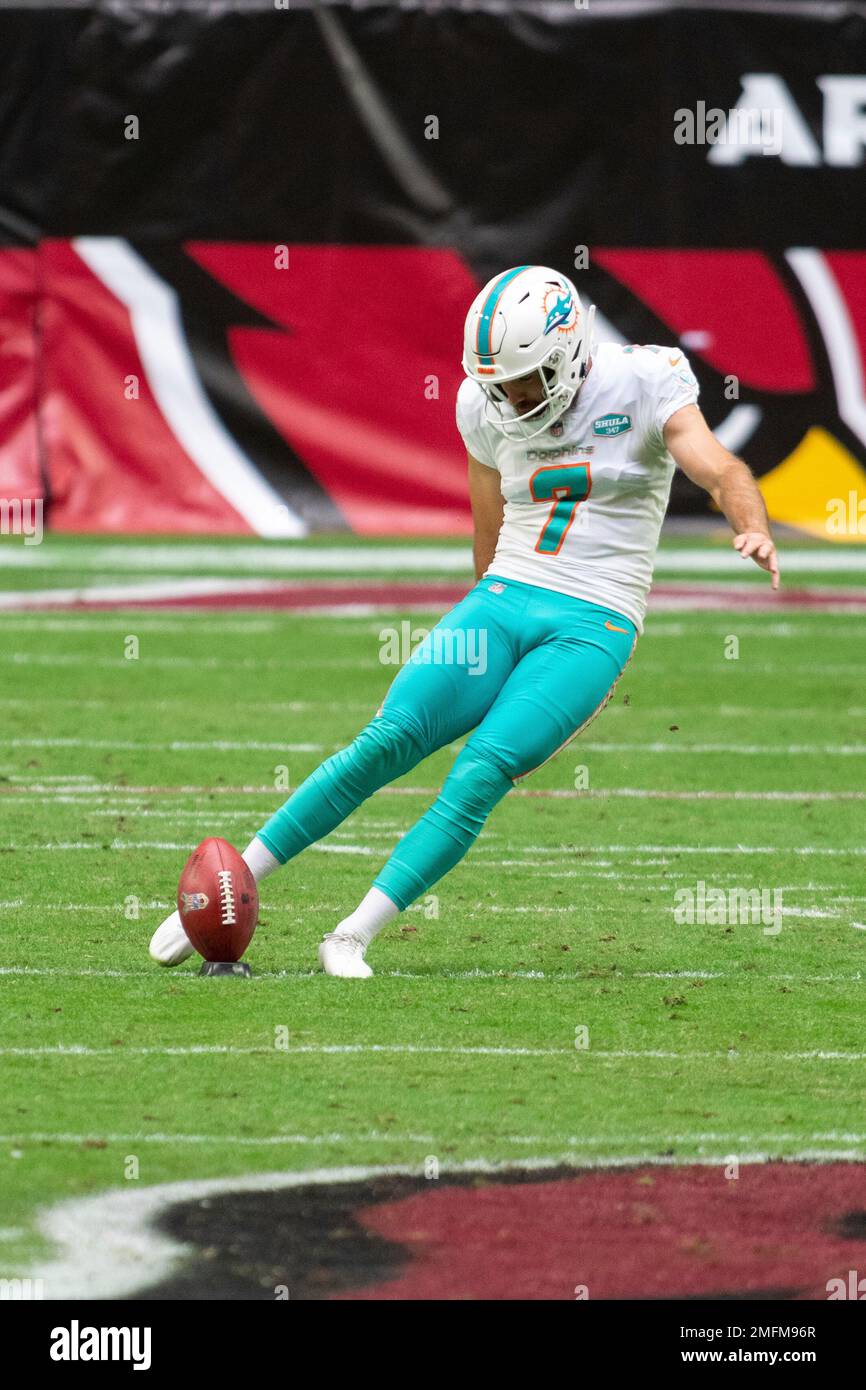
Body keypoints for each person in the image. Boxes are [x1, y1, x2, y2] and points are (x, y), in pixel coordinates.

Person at [149, 264, 779, 977]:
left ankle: (351, 934)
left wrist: (749, 522)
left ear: (570, 353)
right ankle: (233, 885)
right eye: (498, 384)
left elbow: (719, 468)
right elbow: (488, 537)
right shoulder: (482, 405)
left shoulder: (646, 379)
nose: (510, 399)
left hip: (594, 620)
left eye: (525, 381)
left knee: (478, 773)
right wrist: (480, 627)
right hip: (505, 598)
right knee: (384, 741)